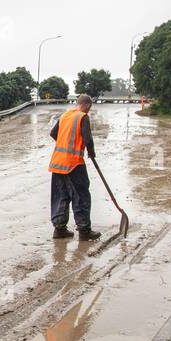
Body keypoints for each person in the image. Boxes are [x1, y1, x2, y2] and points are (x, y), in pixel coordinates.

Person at [49, 94, 100, 241]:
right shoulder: (82, 117)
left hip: (57, 162)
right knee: (81, 195)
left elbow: (53, 133)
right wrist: (91, 153)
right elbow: (88, 139)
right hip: (74, 163)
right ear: (88, 105)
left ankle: (59, 230)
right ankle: (84, 231)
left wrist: (64, 144)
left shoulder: (65, 115)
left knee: (61, 196)